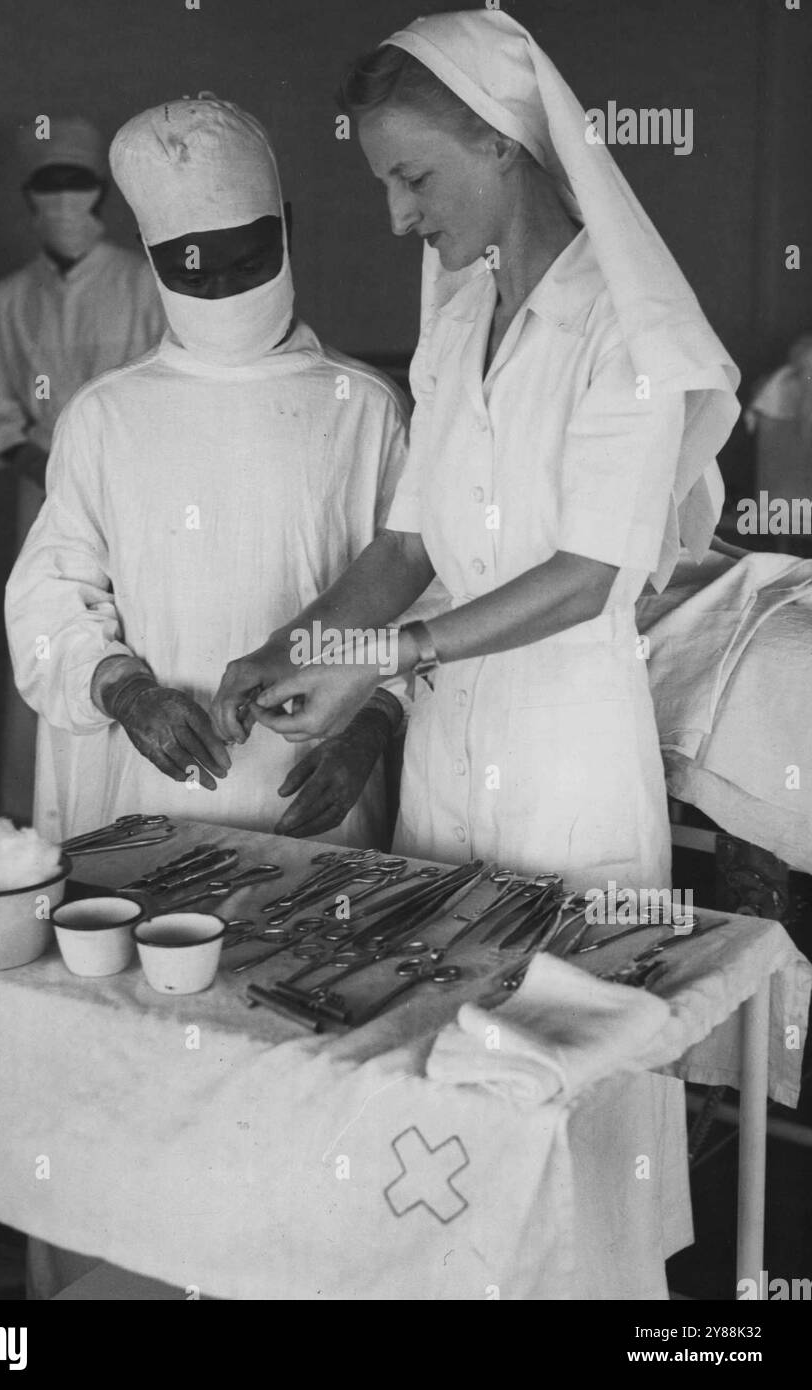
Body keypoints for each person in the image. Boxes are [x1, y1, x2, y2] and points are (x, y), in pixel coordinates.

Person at [213, 9, 740, 896]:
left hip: (569, 780)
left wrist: (380, 658)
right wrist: (292, 643)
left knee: (566, 1019)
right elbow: (407, 546)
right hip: (443, 772)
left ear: (501, 143)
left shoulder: (625, 335)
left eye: (412, 177)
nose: (395, 216)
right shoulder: (456, 330)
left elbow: (590, 574)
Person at [4, 96, 411, 861]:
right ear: (151, 256)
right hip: (141, 789)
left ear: (287, 226)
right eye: (197, 271)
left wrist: (371, 726)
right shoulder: (105, 416)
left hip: (315, 792)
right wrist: (127, 693)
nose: (224, 291)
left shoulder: (364, 408)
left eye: (248, 262)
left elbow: (428, 601)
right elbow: (48, 598)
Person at [0, 116, 165, 821]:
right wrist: (56, 465)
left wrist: (104, 467)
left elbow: (162, 397)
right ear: (28, 196)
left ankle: (135, 817)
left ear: (101, 194)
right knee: (57, 635)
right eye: (47, 184)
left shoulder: (142, 282)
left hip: (138, 495)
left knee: (137, 642)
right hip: (45, 496)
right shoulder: (14, 296)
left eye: (75, 182)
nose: (62, 198)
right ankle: (53, 827)